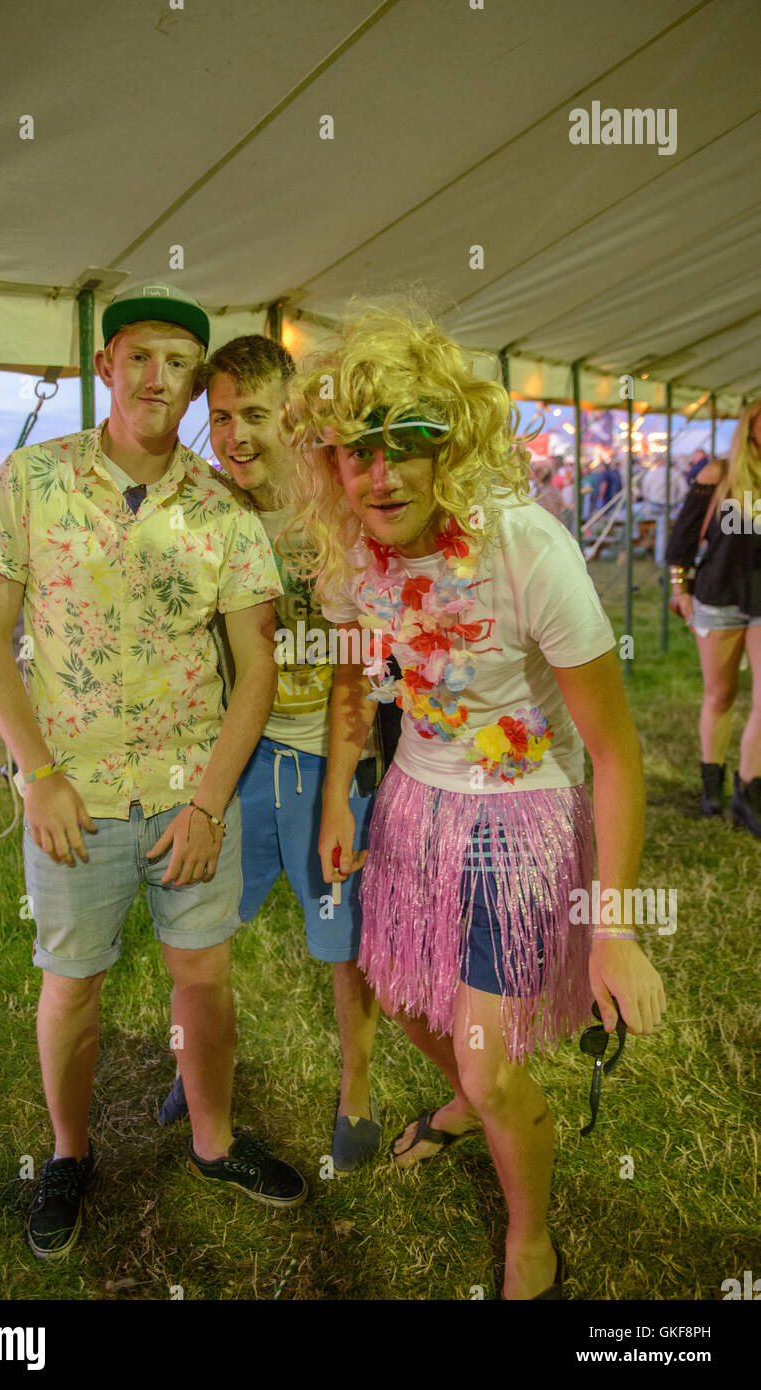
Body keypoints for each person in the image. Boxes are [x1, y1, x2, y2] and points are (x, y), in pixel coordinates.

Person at [281, 304, 665, 1300]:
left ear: (452, 442)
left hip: (522, 812)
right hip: (412, 804)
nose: (383, 473)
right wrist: (336, 797)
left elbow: (618, 757)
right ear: (329, 466)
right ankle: (465, 1101)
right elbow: (352, 679)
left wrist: (614, 927)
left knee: (493, 1065)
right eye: (357, 451)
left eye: (410, 441)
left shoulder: (527, 549)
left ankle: (530, 1237)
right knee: (409, 1000)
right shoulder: (350, 556)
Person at [0, 281, 307, 1260]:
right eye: (141, 355)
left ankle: (213, 1140)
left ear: (194, 382)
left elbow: (256, 670)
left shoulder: (221, 507)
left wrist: (208, 803)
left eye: (179, 363)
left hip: (189, 806)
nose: (160, 377)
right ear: (104, 364)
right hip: (75, 803)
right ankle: (69, 1155)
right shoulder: (31, 480)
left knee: (204, 982)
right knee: (70, 984)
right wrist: (38, 773)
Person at [166, 333, 382, 1172]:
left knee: (341, 941)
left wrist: (337, 792)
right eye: (220, 418)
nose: (235, 436)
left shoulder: (337, 509)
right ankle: (196, 1068)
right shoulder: (207, 510)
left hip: (330, 764)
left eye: (253, 414)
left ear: (290, 417)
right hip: (237, 763)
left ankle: (356, 1091)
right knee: (198, 931)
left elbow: (354, 671)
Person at [667, 401, 761, 832]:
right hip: (718, 597)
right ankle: (712, 783)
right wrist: (678, 588)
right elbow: (682, 539)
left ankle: (747, 791)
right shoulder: (717, 475)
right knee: (720, 695)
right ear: (750, 428)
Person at [641, 459, 688, 567]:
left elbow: (645, 490)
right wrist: (677, 500)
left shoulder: (652, 474)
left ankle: (659, 557)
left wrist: (649, 499)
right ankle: (661, 558)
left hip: (654, 505)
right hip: (668, 506)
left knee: (659, 531)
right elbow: (684, 489)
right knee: (663, 532)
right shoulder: (674, 473)